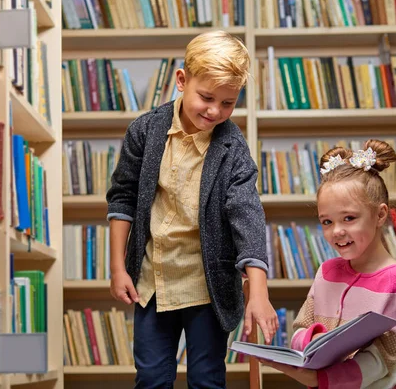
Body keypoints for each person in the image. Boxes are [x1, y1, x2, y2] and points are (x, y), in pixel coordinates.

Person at [106, 30, 278, 389]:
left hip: (208, 288)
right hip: (153, 283)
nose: (216, 111)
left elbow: (246, 211)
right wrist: (117, 267)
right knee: (152, 378)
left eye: (228, 103)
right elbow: (122, 197)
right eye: (206, 97)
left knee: (207, 380)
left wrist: (258, 293)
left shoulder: (233, 147)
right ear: (182, 81)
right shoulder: (145, 130)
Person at [260, 139, 396, 389]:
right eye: (327, 222)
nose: (337, 232)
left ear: (380, 215)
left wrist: (322, 379)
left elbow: (385, 357)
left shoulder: (394, 279)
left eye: (349, 218)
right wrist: (315, 339)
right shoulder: (327, 271)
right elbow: (300, 329)